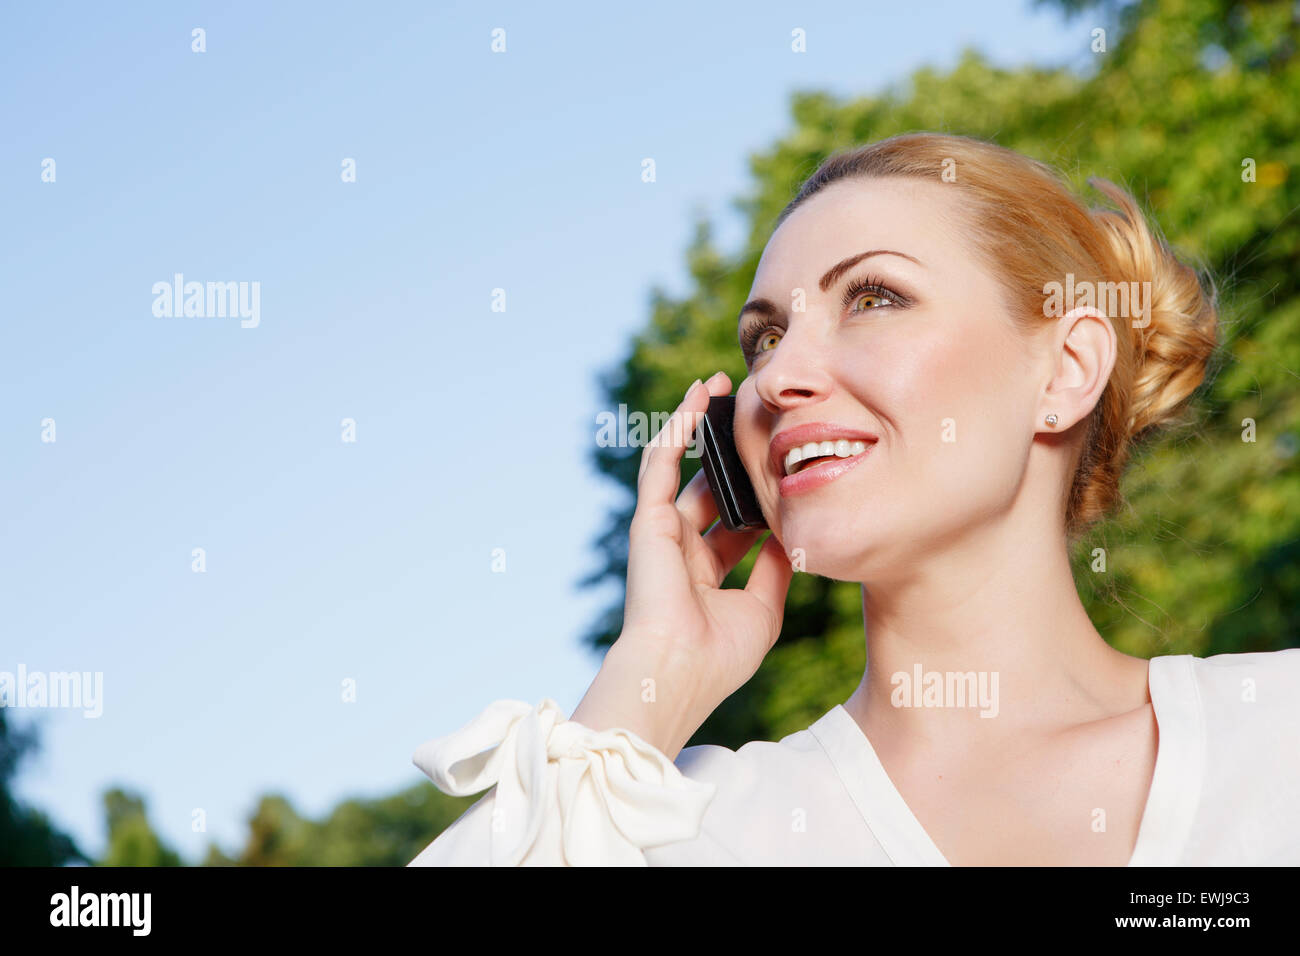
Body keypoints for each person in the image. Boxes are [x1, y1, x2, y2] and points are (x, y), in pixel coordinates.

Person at [408, 132, 1300, 866]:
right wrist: (648, 682)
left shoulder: (1278, 736)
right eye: (763, 340)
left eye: (873, 297)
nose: (779, 377)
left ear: (1065, 369)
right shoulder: (693, 828)